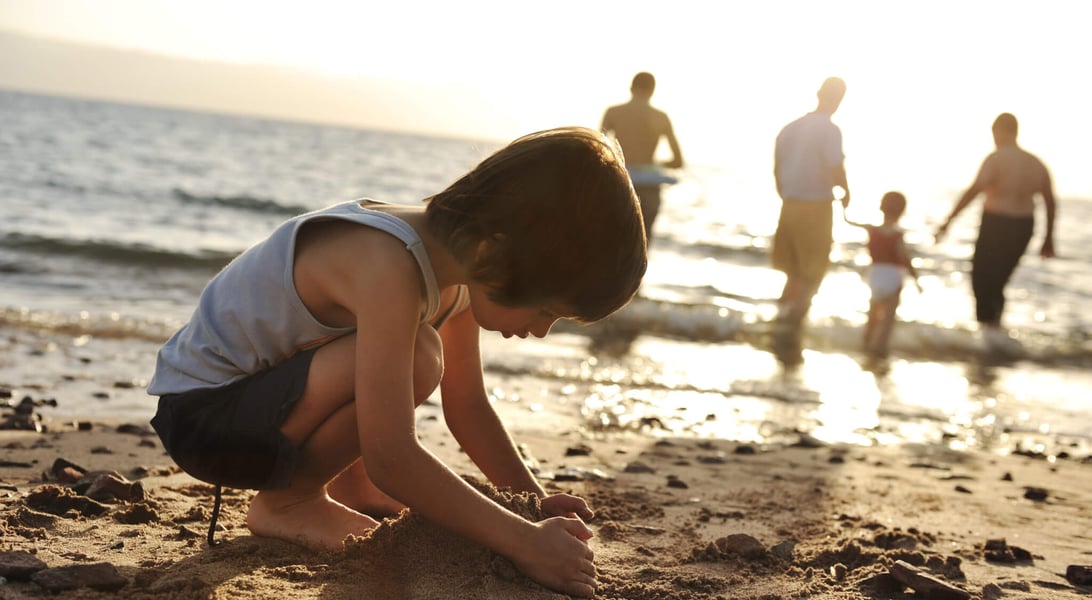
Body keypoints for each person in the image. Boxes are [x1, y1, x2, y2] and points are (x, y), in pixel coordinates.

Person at [147, 126, 648, 598]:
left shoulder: (457, 272)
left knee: (412, 354)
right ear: (496, 253)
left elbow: (469, 408)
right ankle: (290, 500)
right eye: (547, 310)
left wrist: (531, 504)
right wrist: (523, 542)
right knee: (420, 356)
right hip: (205, 418)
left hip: (258, 409)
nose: (540, 330)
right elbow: (393, 457)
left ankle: (347, 486)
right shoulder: (386, 262)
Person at [935, 112, 1057, 350]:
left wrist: (948, 221)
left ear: (1001, 131)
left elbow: (974, 191)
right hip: (1024, 226)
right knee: (999, 280)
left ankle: (988, 334)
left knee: (982, 277)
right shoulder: (1036, 163)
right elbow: (1050, 202)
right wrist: (1048, 237)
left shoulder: (996, 158)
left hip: (995, 223)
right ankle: (994, 333)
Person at [770, 76, 850, 361]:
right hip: (816, 205)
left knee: (793, 270)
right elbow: (835, 165)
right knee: (812, 273)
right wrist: (847, 190)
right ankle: (793, 327)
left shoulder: (790, 128)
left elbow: (777, 167)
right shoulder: (829, 130)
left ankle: (779, 323)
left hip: (789, 203)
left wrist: (785, 193)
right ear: (837, 98)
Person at [600, 71, 684, 241]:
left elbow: (599, 149)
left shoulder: (613, 112)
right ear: (653, 90)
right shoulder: (661, 117)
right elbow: (678, 161)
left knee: (611, 240)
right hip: (649, 188)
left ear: (631, 87)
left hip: (619, 183)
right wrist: (652, 166)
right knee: (642, 246)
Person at [844, 191, 922, 358]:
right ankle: (880, 350)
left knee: (872, 315)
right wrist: (916, 280)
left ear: (881, 207)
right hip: (893, 276)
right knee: (887, 321)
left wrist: (843, 208)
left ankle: (866, 344)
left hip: (876, 275)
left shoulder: (872, 229)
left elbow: (849, 221)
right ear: (902, 211)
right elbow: (905, 258)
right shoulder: (897, 234)